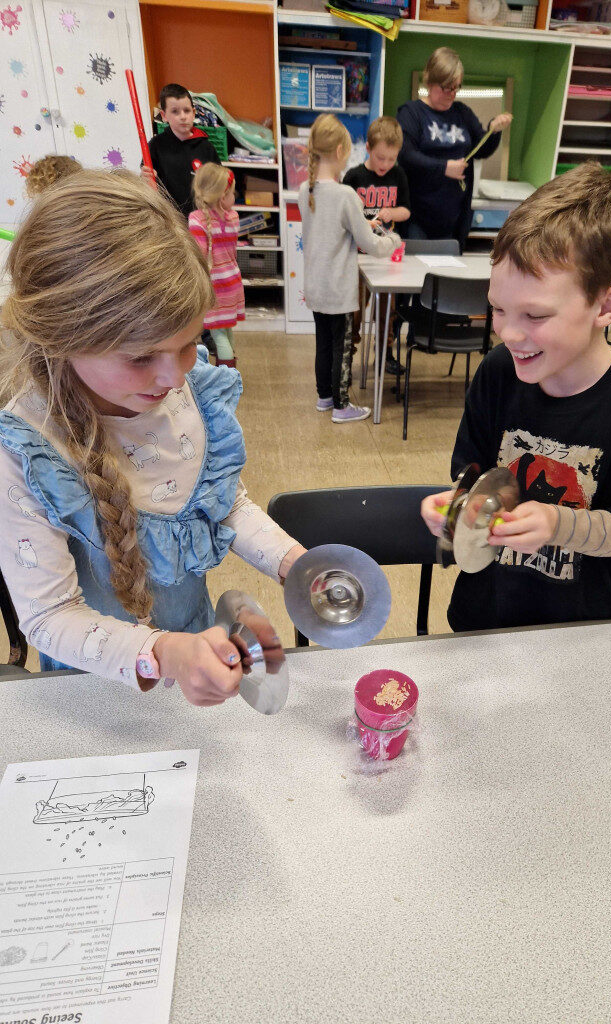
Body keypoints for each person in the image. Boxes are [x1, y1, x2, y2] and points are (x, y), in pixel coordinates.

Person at [0, 170, 305, 707]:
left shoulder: (177, 388)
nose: (174, 378)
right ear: (61, 337)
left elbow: (222, 500)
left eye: (189, 344)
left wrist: (290, 561)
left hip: (194, 656)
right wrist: (164, 653)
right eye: (140, 357)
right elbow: (49, 617)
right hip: (93, 690)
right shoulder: (24, 452)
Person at [421, 163, 611, 633]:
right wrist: (456, 509)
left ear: (606, 306)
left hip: (586, 627)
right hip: (488, 611)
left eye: (535, 314)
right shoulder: (499, 372)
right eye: (499, 308)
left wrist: (558, 525)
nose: (507, 332)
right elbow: (479, 479)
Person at [299, 113, 401, 424]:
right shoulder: (346, 195)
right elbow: (371, 244)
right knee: (342, 347)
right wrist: (393, 240)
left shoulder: (307, 189)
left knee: (323, 343)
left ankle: (325, 397)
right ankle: (342, 406)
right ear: (341, 152)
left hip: (316, 286)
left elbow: (331, 228)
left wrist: (360, 223)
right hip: (339, 289)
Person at [397, 47, 512, 251]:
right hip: (418, 217)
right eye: (446, 88)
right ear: (430, 81)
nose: (451, 94)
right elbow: (406, 155)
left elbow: (481, 150)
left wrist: (494, 131)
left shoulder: (462, 113)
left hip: (454, 218)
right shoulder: (411, 113)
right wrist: (444, 168)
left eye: (456, 87)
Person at [343, 115, 411, 377]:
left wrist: (393, 213)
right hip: (358, 259)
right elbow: (343, 215)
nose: (385, 164)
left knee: (388, 313)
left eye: (391, 159)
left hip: (388, 259)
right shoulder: (354, 176)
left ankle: (385, 355)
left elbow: (406, 210)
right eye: (380, 157)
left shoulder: (399, 174)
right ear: (368, 149)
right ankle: (348, 360)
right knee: (356, 313)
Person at [188, 164, 244, 368]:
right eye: (232, 192)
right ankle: (231, 373)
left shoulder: (197, 220)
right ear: (222, 196)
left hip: (215, 287)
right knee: (226, 330)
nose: (234, 197)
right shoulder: (234, 217)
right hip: (233, 282)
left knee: (218, 334)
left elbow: (199, 257)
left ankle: (226, 377)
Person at [141, 83, 221, 218]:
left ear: (194, 112)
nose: (183, 116)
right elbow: (146, 179)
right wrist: (145, 177)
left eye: (187, 110)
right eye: (175, 111)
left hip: (202, 219)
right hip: (169, 218)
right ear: (164, 115)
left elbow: (219, 181)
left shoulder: (206, 147)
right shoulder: (156, 145)